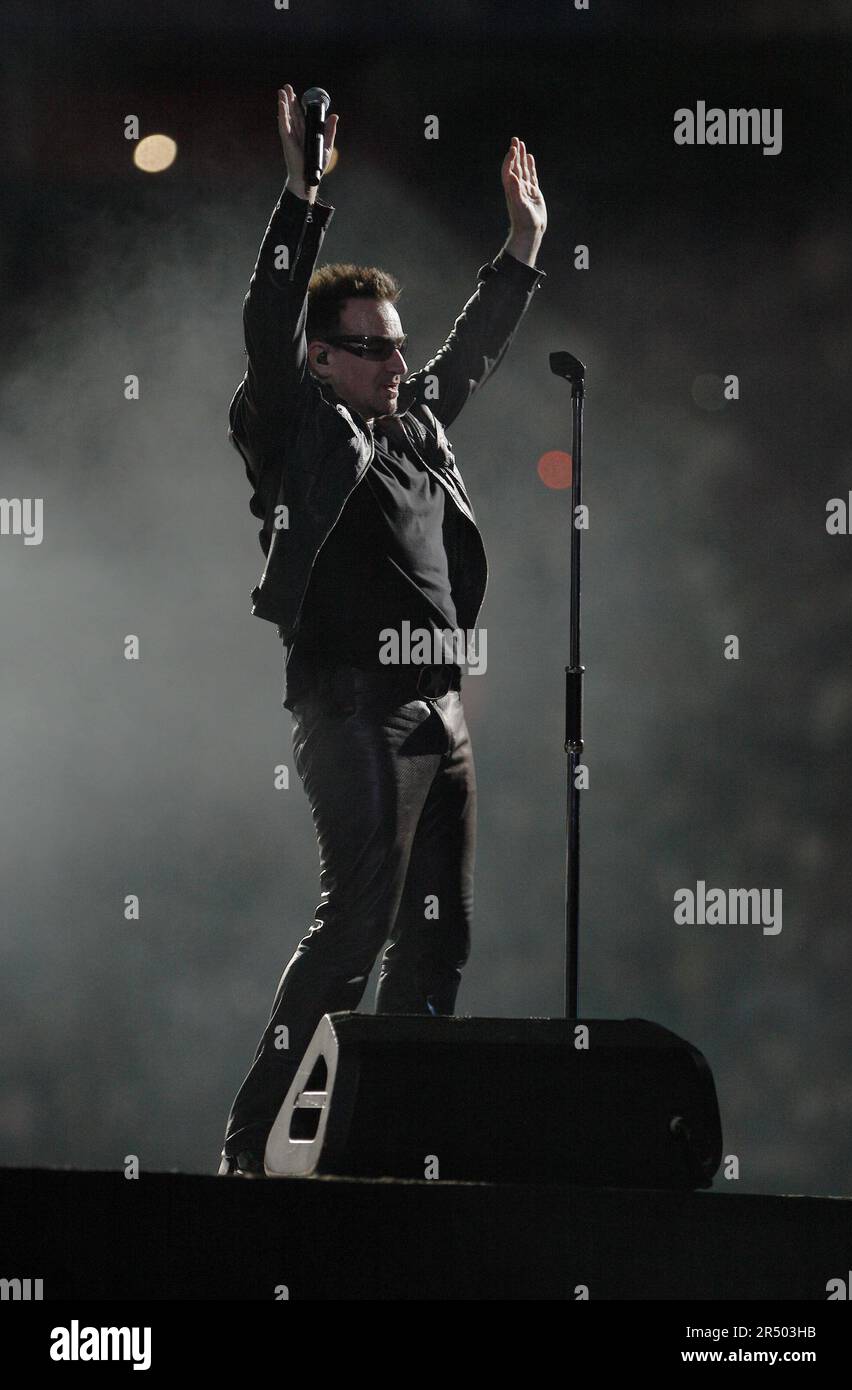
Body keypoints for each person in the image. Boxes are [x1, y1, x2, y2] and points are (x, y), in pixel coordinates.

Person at [219, 84, 547, 1175]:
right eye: (369, 349)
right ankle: (253, 1137)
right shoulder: (296, 428)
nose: (395, 363)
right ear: (322, 359)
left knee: (436, 933)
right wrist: (302, 196)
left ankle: (392, 1141)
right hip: (349, 700)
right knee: (356, 923)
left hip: (434, 705)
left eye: (394, 346)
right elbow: (267, 320)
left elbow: (473, 351)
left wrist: (520, 247)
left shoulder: (413, 428)